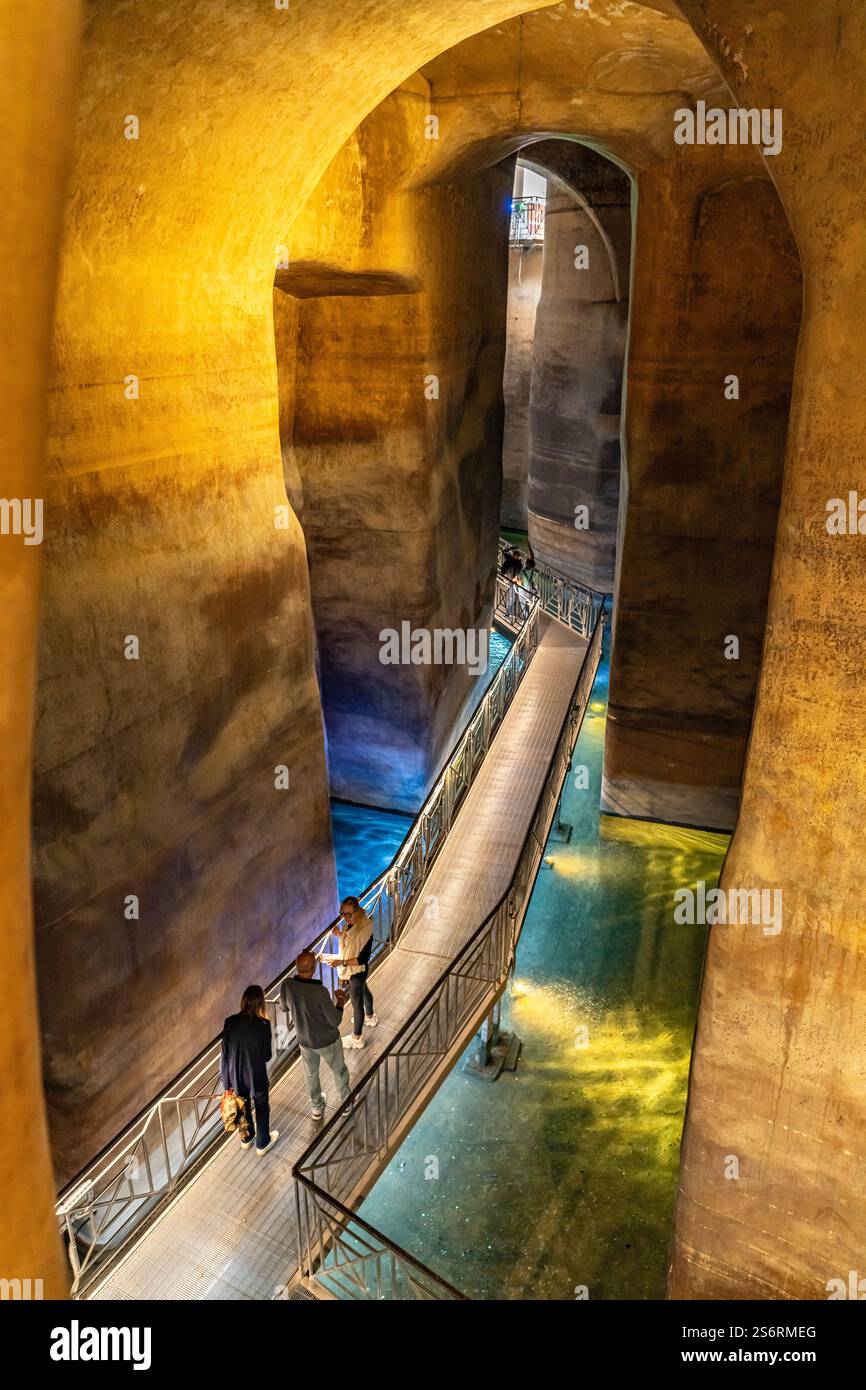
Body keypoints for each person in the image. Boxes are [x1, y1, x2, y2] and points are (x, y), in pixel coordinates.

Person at [281, 951, 351, 1121]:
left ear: (296, 968)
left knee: (311, 1074)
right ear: (313, 969)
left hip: (305, 1040)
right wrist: (340, 1000)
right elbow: (335, 1020)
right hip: (327, 1040)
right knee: (339, 1071)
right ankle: (345, 1104)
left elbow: (284, 1008)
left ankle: (317, 1108)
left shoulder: (287, 985)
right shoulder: (320, 992)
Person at [220, 985, 279, 1155]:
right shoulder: (264, 1025)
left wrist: (226, 1082)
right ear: (261, 1002)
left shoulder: (230, 1022)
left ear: (243, 1001)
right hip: (256, 1075)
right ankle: (262, 1143)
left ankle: (246, 1138)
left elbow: (224, 1055)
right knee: (261, 1106)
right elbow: (267, 1056)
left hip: (235, 1075)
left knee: (242, 1104)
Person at [335, 896, 377, 1049]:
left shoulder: (365, 928)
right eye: (342, 913)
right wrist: (340, 935)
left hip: (357, 971)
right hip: (358, 972)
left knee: (356, 1005)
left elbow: (362, 959)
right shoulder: (350, 925)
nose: (345, 917)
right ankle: (371, 1017)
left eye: (348, 914)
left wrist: (341, 962)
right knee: (364, 991)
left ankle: (357, 1038)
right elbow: (352, 942)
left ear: (357, 912)